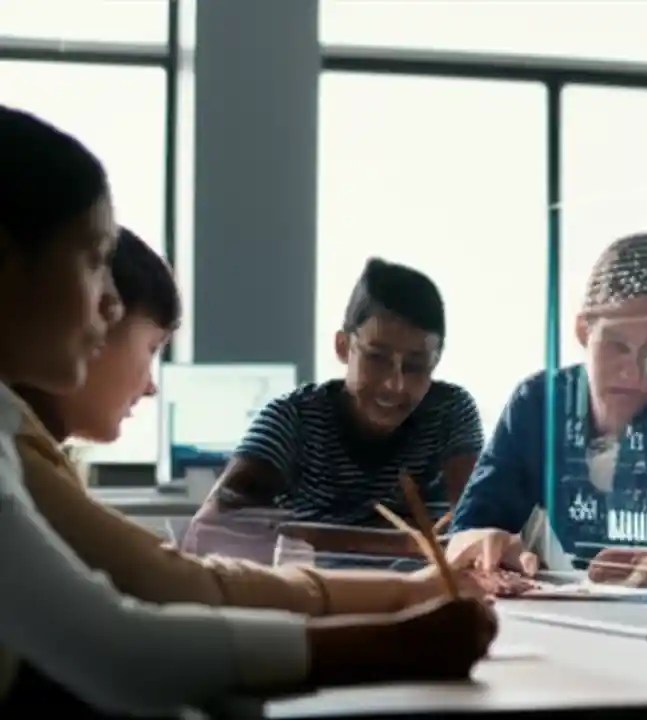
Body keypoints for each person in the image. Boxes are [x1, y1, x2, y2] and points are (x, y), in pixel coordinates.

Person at [0, 105, 493, 716]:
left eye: (417, 365)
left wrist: (405, 591)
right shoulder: (292, 416)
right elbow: (131, 634)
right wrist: (396, 633)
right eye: (93, 259)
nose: (108, 303)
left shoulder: (13, 436)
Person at [15, 228, 473, 616]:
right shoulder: (17, 455)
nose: (394, 385)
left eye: (415, 366)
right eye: (153, 349)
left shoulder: (33, 454)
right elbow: (182, 569)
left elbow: (165, 583)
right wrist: (403, 589)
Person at [446, 233, 647, 591]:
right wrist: (486, 543)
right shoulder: (538, 402)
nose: (633, 372)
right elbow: (461, 537)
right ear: (583, 331)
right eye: (616, 345)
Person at [187, 257, 484, 555]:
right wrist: (403, 543)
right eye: (377, 358)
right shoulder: (294, 418)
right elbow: (210, 527)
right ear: (343, 347)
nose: (395, 384)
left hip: (427, 595)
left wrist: (308, 534)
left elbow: (478, 527)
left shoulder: (450, 411)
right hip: (316, 594)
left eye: (416, 366)